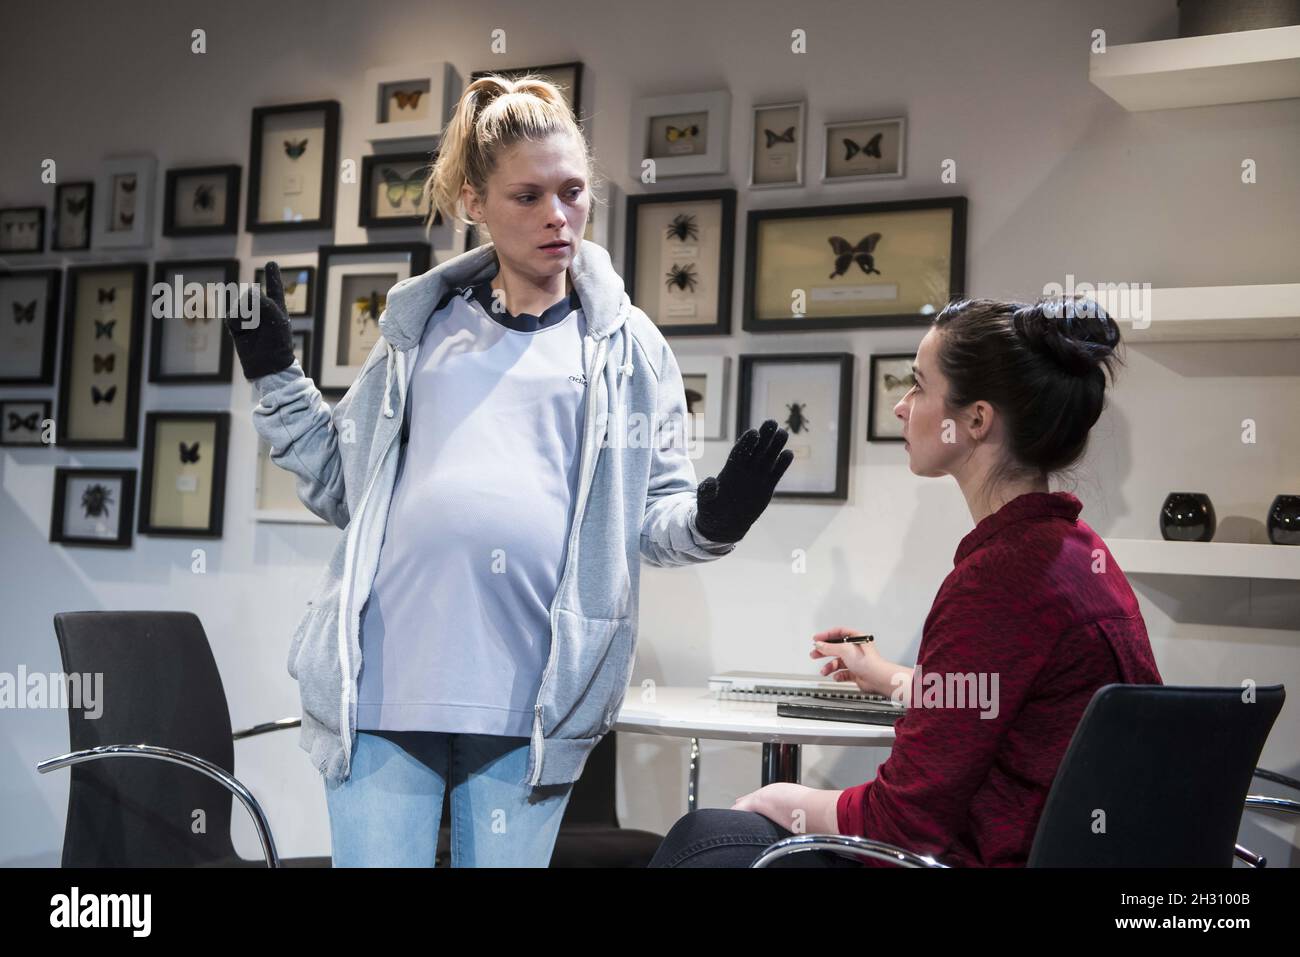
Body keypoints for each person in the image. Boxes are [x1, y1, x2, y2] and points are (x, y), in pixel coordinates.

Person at [225, 73, 793, 866]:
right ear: (473, 203)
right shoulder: (416, 335)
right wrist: (275, 374)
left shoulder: (630, 352)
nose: (557, 217)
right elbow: (338, 483)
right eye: (527, 196)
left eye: (573, 192)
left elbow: (654, 522)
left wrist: (713, 518)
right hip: (384, 684)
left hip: (533, 702)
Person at [649, 296, 1164, 868]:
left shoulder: (1000, 580)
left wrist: (783, 798)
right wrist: (891, 676)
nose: (901, 406)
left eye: (918, 385)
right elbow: (1005, 703)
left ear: (975, 419)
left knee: (705, 839)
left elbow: (903, 824)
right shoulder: (1076, 552)